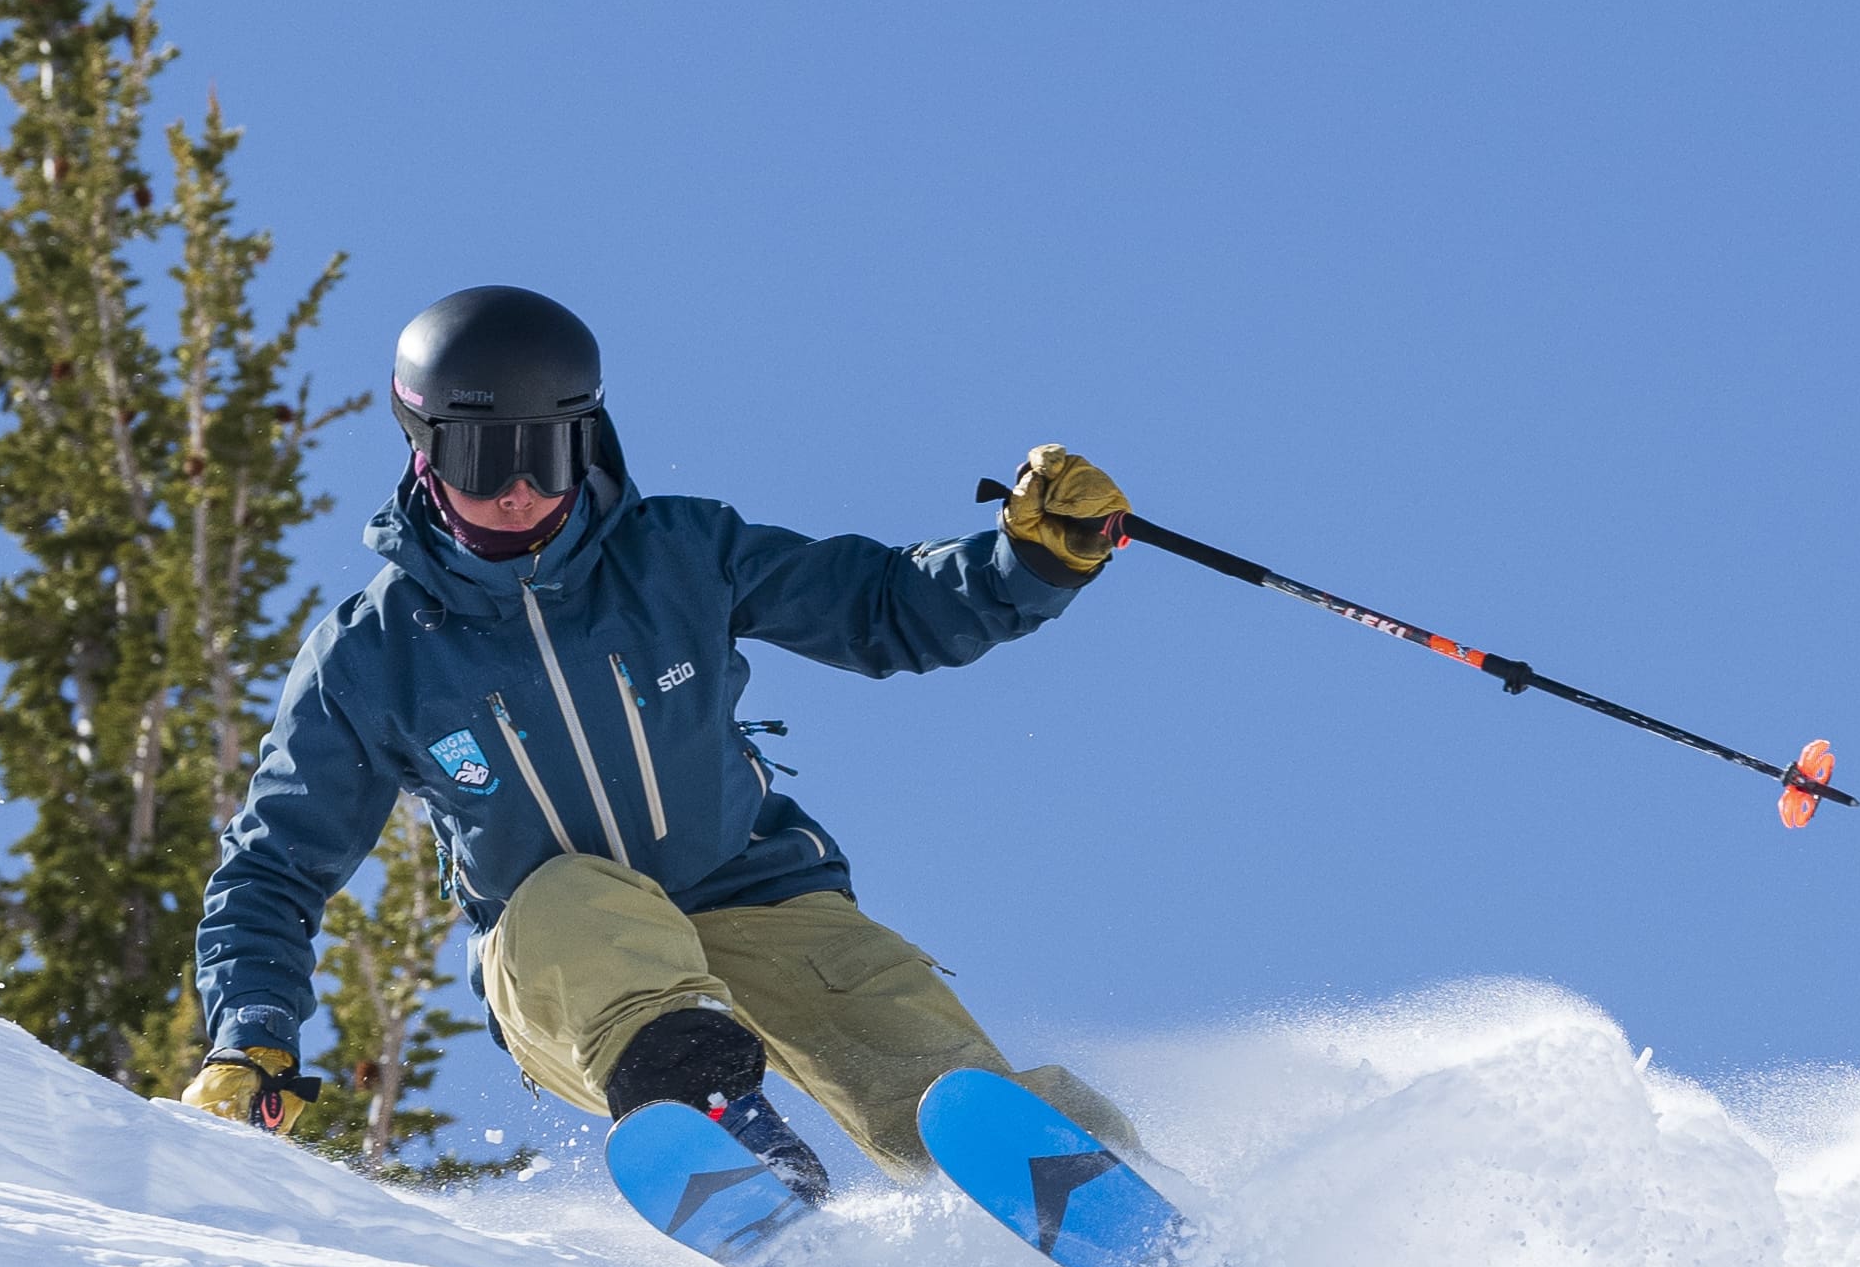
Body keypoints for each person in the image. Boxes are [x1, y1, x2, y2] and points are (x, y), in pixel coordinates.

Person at [177, 283, 1145, 1194]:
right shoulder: (374, 655)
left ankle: (1125, 1216)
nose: (519, 489)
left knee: (947, 1086)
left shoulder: (678, 555)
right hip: (566, 968)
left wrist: (1025, 562)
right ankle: (722, 1136)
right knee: (574, 897)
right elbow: (274, 865)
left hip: (755, 895)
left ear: (587, 437)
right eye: (485, 458)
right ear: (425, 450)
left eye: (546, 452)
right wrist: (252, 1032)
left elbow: (883, 607)